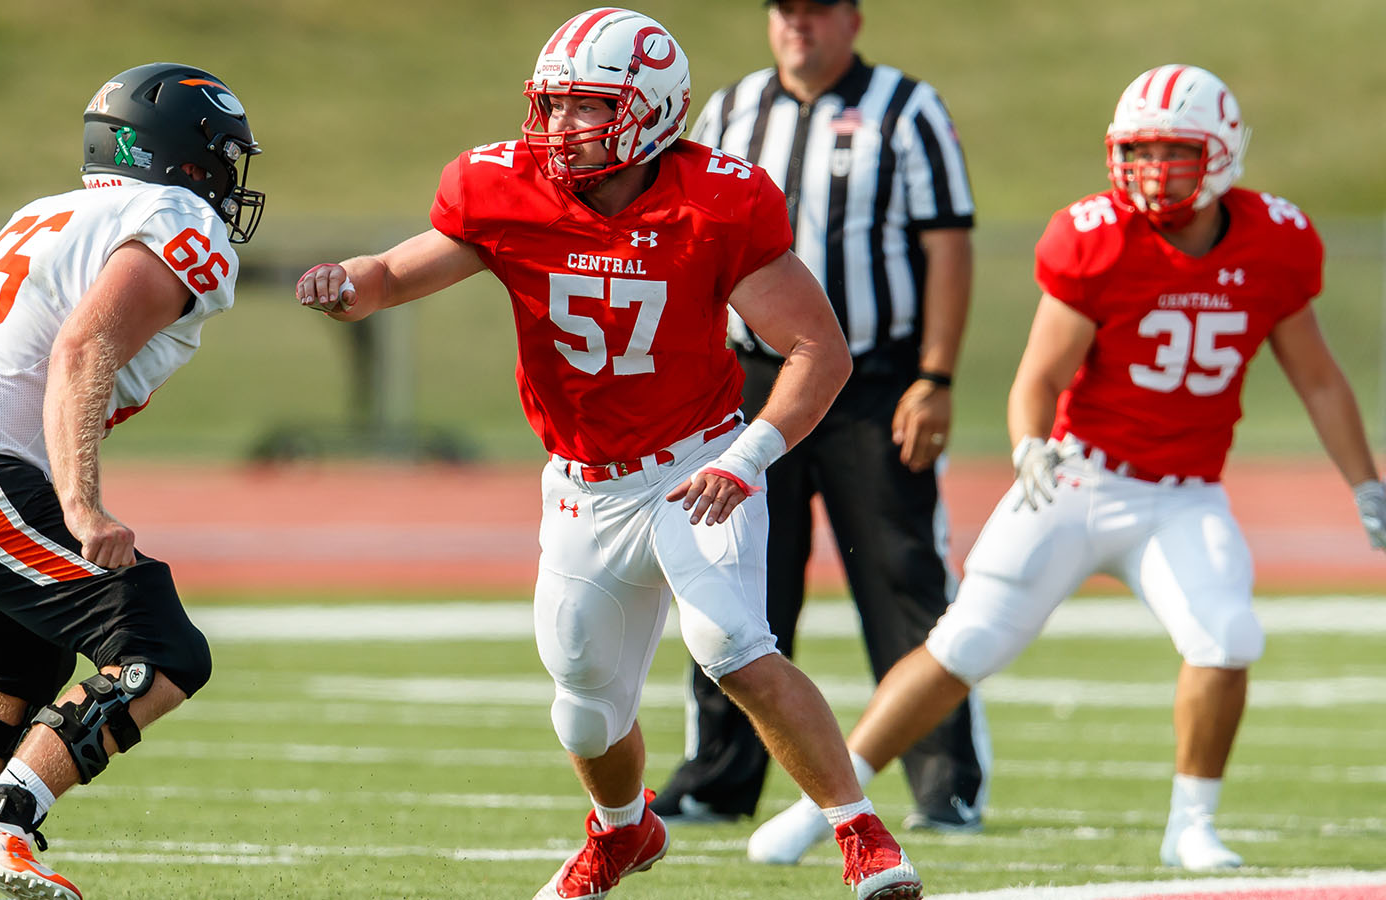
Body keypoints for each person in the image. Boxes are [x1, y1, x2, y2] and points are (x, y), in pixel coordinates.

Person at [295, 9, 922, 899]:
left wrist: (747, 459)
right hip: (584, 486)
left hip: (695, 465)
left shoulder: (718, 201)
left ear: (654, 109)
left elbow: (818, 350)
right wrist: (347, 285)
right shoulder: (502, 187)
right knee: (584, 705)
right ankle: (625, 833)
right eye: (551, 105)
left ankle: (863, 835)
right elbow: (395, 273)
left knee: (732, 643)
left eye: (586, 106)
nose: (558, 128)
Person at [834, 63, 1386, 872]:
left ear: (1225, 151)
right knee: (966, 644)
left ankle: (1190, 825)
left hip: (1182, 496)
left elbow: (1318, 377)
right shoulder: (1097, 234)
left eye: (1175, 149)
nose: (1153, 168)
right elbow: (1039, 375)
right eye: (1139, 149)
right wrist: (1029, 444)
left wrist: (1364, 481)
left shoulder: (1276, 239)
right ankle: (834, 804)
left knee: (1227, 635)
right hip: (1074, 479)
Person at [0, 62, 264, 900]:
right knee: (160, 647)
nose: (226, 182)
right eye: (219, 160)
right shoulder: (177, 216)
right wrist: (77, 502)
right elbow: (82, 348)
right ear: (180, 157)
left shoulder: (48, 214)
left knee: (22, 664)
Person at [653, 0, 990, 859]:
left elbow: (948, 244)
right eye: (784, 9)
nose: (798, 23)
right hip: (751, 380)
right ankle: (718, 777)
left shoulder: (908, 108)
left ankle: (944, 783)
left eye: (816, 8)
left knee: (903, 573)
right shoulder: (730, 109)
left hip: (875, 381)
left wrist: (936, 376)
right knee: (734, 578)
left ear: (853, 17)